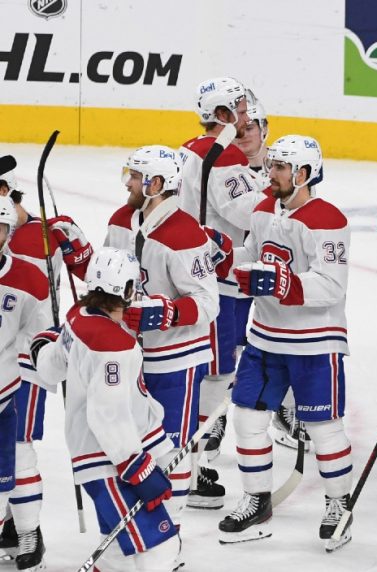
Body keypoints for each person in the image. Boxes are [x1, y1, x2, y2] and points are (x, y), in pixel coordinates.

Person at [221, 135, 353, 552]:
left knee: (323, 427)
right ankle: (257, 502)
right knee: (247, 419)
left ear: (303, 174)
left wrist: (283, 283)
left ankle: (338, 505)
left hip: (314, 343)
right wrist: (223, 256)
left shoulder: (328, 220)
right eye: (271, 165)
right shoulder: (262, 209)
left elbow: (331, 285)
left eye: (278, 167)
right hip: (265, 337)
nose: (269, 173)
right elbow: (254, 255)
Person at [99, 145, 221, 551]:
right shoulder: (121, 221)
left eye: (135, 176)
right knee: (132, 445)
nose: (128, 182)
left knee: (171, 450)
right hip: (129, 357)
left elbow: (208, 302)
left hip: (175, 360)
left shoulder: (186, 233)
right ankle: (143, 530)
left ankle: (172, 537)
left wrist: (164, 312)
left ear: (156, 184)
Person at [31, 247, 180, 571]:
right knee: (159, 547)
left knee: (117, 551)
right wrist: (135, 466)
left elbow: (52, 368)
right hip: (109, 459)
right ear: (125, 289)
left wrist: (41, 346)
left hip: (117, 449)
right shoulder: (112, 345)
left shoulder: (78, 317)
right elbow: (107, 415)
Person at [0, 173, 91, 571]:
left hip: (24, 366)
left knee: (18, 452)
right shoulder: (39, 232)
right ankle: (11, 526)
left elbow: (87, 272)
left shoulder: (45, 234)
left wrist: (72, 241)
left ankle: (28, 533)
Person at [178, 77, 263, 499]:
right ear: (225, 116)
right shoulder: (223, 152)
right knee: (216, 372)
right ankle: (191, 466)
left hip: (192, 272)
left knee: (201, 367)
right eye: (242, 110)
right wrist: (280, 190)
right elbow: (245, 212)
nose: (247, 119)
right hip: (219, 279)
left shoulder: (186, 150)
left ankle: (191, 460)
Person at [232, 93, 312, 453]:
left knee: (291, 332)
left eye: (250, 127)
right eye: (237, 130)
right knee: (234, 347)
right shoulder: (223, 170)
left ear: (264, 128)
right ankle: (222, 420)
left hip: (279, 274)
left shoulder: (287, 170)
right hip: (236, 273)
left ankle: (291, 407)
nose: (244, 134)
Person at [0, 195, 49, 571]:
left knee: (19, 455)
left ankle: (29, 531)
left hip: (10, 387)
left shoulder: (29, 278)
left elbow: (42, 335)